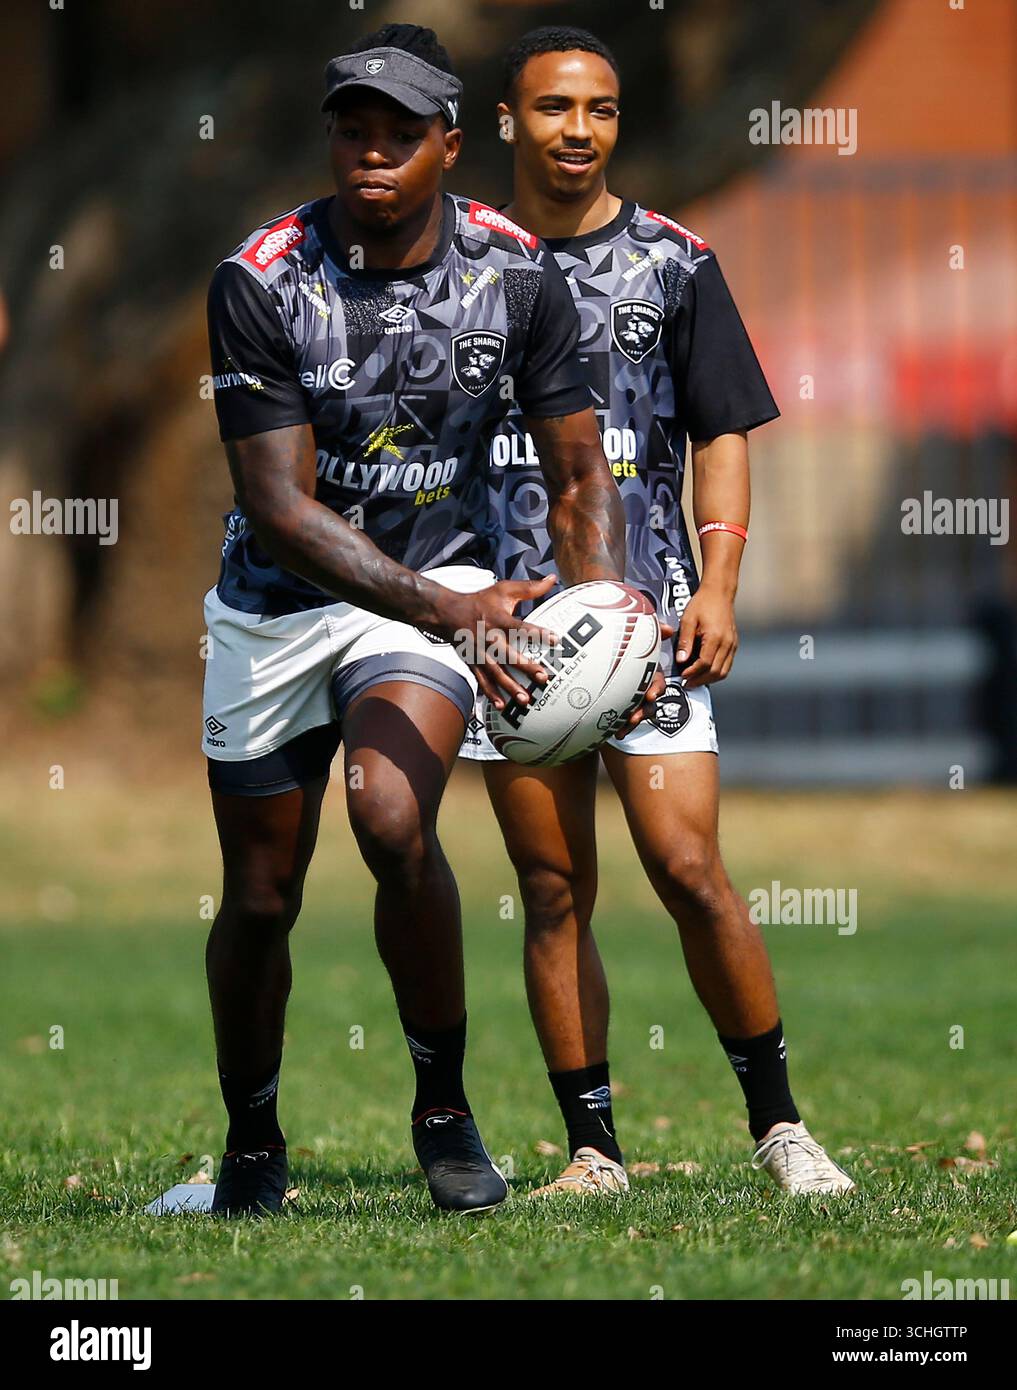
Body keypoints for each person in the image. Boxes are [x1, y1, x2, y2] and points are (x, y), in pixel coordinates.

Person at [201, 22, 642, 1217]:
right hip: (275, 610)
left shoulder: (515, 273)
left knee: (392, 818)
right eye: (355, 131)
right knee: (258, 894)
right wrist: (452, 605)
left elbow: (575, 473)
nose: (374, 154)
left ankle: (444, 1110)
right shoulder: (262, 277)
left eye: (402, 135)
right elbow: (278, 509)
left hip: (420, 608)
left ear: (452, 145)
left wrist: (598, 611)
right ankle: (252, 1141)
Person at [460, 25, 855, 1198]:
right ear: (506, 122)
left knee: (688, 867)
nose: (576, 130)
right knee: (550, 888)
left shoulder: (677, 263)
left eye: (600, 109)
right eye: (551, 108)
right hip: (512, 636)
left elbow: (723, 433)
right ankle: (593, 1152)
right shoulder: (458, 267)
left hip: (650, 624)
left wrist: (721, 589)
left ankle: (782, 1128)